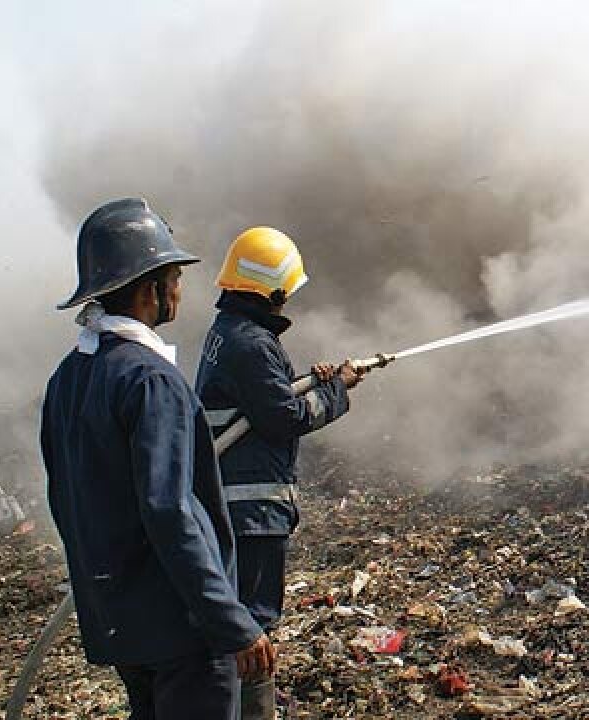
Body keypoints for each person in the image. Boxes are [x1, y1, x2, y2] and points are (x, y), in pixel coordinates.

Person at [41, 198, 274, 719]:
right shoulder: (151, 379)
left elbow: (64, 498)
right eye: (175, 277)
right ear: (150, 290)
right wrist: (230, 621)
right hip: (182, 627)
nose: (180, 289)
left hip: (124, 625)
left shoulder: (68, 377)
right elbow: (170, 511)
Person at [194, 226, 360, 719]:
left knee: (239, 621)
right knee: (253, 623)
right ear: (272, 291)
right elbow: (282, 417)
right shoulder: (251, 343)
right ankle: (250, 709)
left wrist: (313, 381)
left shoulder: (227, 333)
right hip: (252, 512)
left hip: (234, 504)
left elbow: (260, 399)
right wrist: (335, 393)